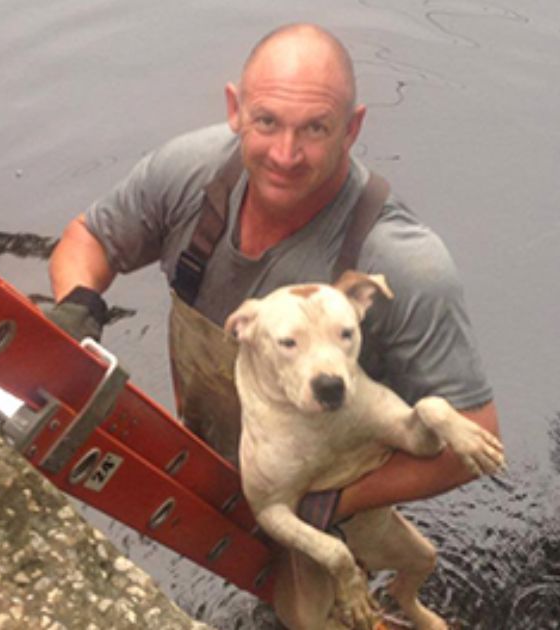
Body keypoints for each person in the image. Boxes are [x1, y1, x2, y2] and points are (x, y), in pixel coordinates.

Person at [46, 22, 499, 628]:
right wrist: (79, 307)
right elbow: (90, 237)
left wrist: (324, 503)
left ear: (354, 128)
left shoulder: (401, 262)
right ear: (235, 110)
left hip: (328, 483)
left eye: (316, 128)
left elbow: (473, 442)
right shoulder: (193, 174)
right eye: (268, 123)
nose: (286, 155)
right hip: (223, 451)